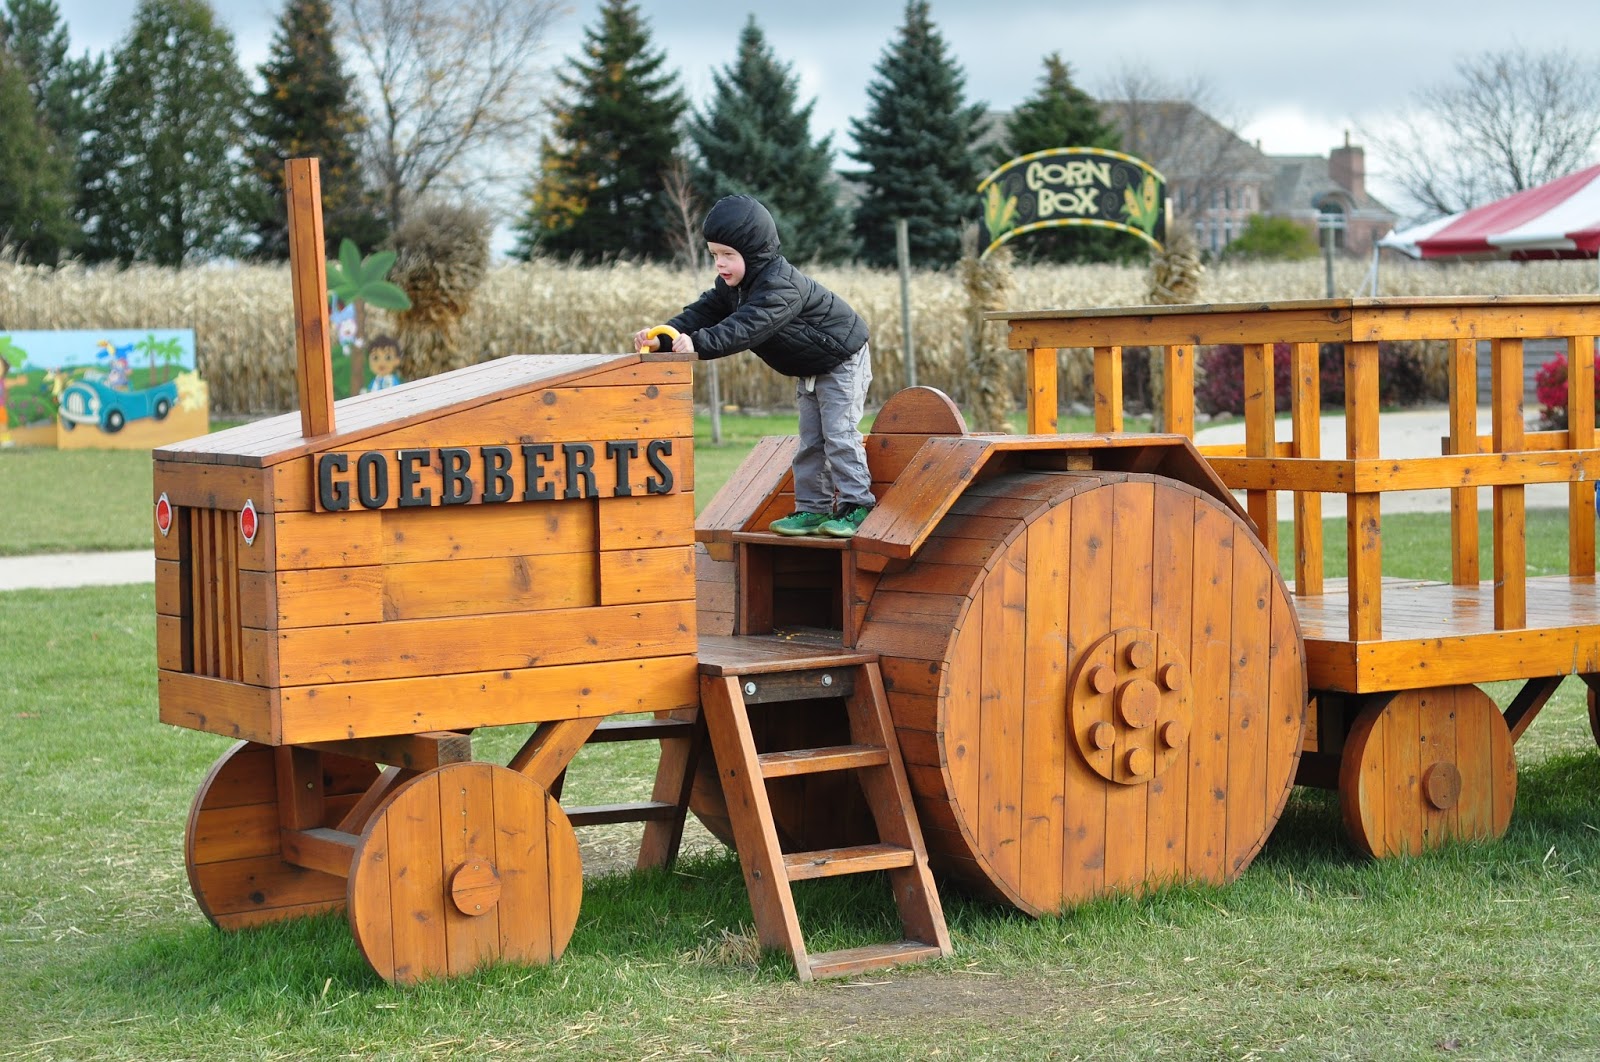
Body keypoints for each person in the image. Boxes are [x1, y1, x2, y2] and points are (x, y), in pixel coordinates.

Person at [635, 195, 874, 538]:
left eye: (729, 255)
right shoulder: (733, 286)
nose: (720, 263)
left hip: (841, 360)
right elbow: (700, 313)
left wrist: (698, 344)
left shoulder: (780, 286)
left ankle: (858, 505)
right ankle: (812, 510)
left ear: (755, 251)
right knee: (810, 440)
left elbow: (746, 327)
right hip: (809, 366)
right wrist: (667, 335)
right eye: (714, 254)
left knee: (838, 434)